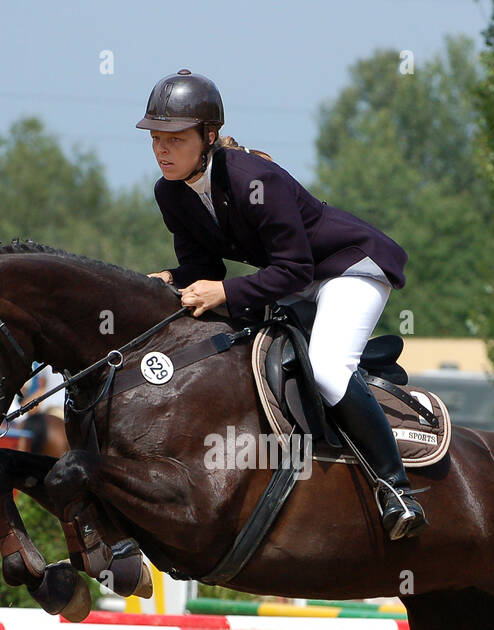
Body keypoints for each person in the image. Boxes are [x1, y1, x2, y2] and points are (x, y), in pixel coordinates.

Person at [138, 69, 425, 541]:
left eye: (174, 138)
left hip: (348, 268)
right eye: (155, 138)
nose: (161, 150)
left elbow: (289, 270)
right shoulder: (170, 193)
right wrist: (161, 281)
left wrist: (226, 293)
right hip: (297, 279)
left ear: (208, 136)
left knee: (330, 369)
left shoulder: (255, 178)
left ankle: (396, 490)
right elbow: (201, 269)